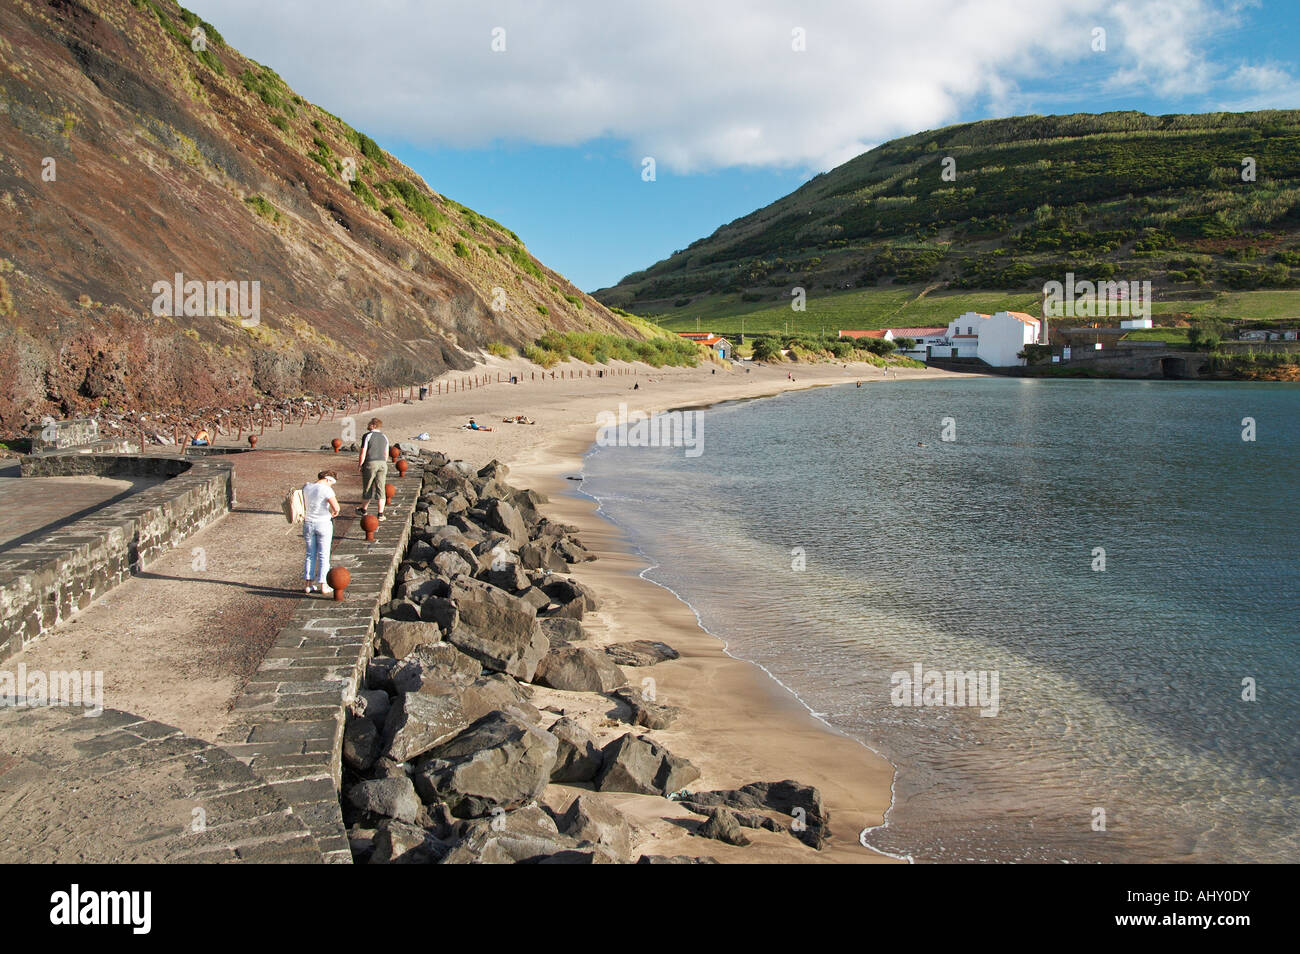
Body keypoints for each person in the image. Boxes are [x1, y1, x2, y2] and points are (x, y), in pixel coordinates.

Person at [302, 470, 340, 594]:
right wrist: (334, 512)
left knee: (310, 554)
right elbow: (336, 508)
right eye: (331, 483)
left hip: (308, 523)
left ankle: (308, 584)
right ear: (328, 479)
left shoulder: (306, 487)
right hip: (323, 523)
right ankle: (323, 585)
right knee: (324, 555)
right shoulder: (326, 489)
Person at [356, 418, 389, 521]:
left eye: (369, 423)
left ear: (373, 425)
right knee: (381, 487)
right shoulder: (384, 437)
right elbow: (386, 453)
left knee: (368, 486)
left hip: (371, 462)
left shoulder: (367, 436)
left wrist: (360, 464)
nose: (368, 425)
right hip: (383, 463)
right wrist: (383, 462)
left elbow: (363, 452)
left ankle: (364, 510)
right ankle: (380, 514)